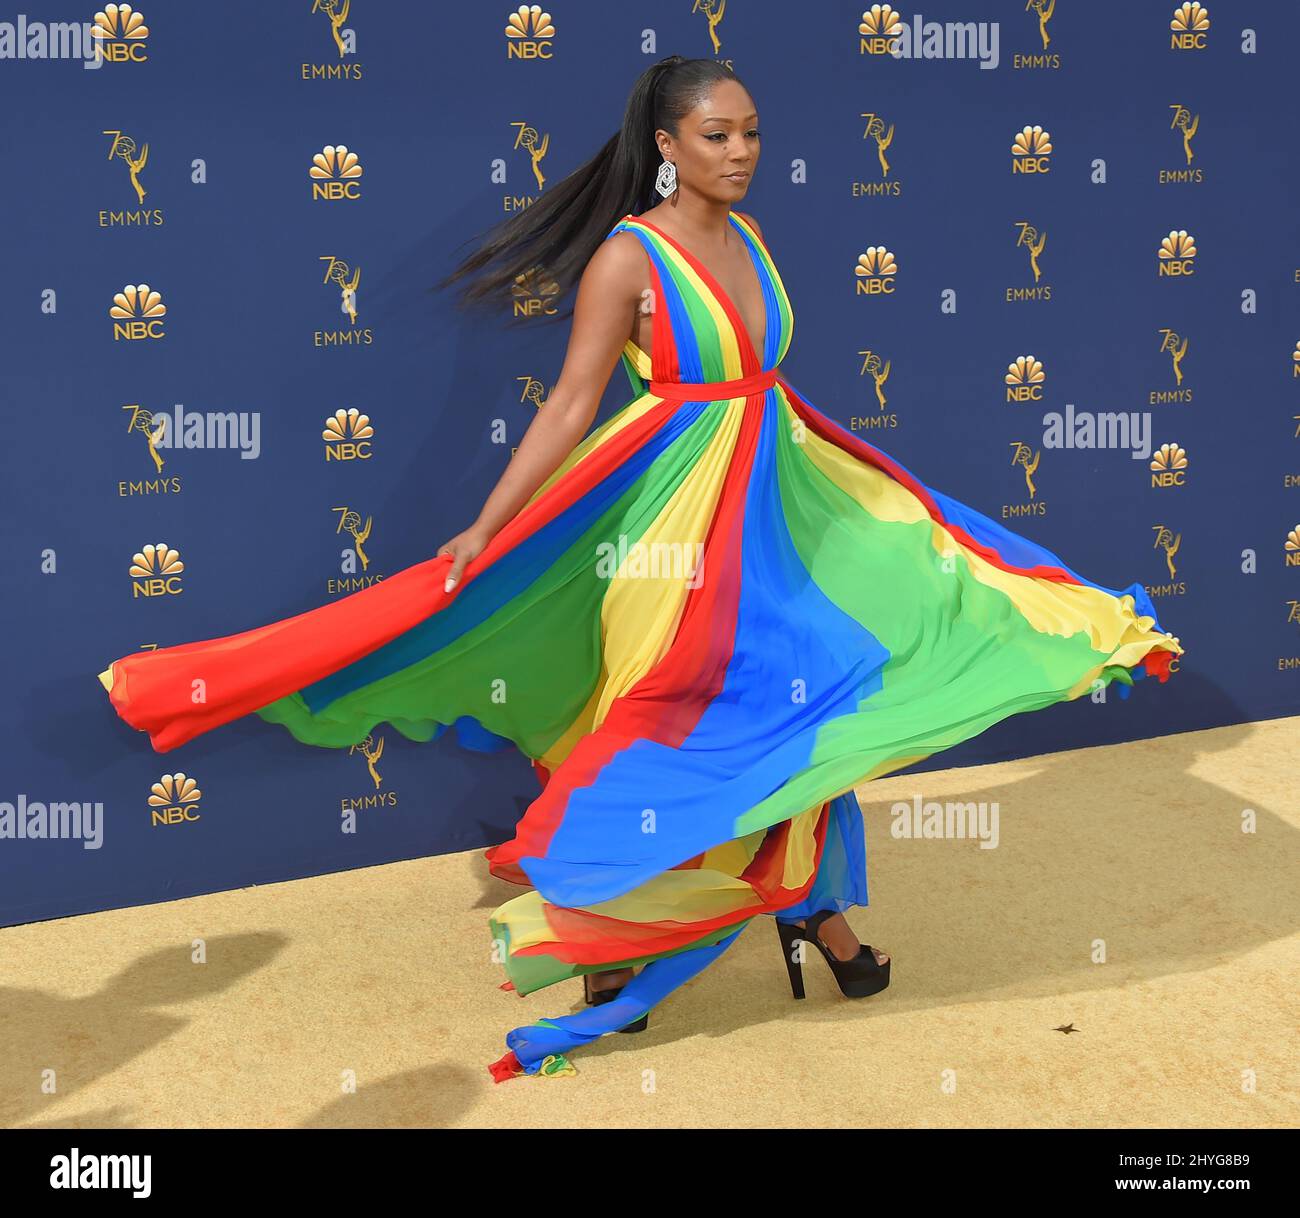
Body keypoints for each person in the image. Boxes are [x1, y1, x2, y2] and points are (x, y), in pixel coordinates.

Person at [98, 56, 1184, 1082]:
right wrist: (485, 527)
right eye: (717, 134)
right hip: (670, 527)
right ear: (668, 142)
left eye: (753, 132)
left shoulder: (750, 239)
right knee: (662, 719)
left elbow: (762, 389)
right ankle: (633, 926)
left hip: (779, 507)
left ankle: (816, 910)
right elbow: (573, 402)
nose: (741, 151)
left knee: (809, 708)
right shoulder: (631, 255)